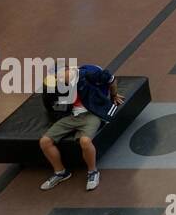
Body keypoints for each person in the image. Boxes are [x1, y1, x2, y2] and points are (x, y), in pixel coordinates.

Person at [38, 63, 125, 192]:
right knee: (44, 142)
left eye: (60, 77)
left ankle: (92, 172)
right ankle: (61, 172)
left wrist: (113, 95)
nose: (59, 81)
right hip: (72, 116)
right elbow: (50, 100)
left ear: (67, 70)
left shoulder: (89, 73)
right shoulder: (59, 84)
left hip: (92, 113)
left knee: (85, 141)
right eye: (57, 78)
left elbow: (111, 80)